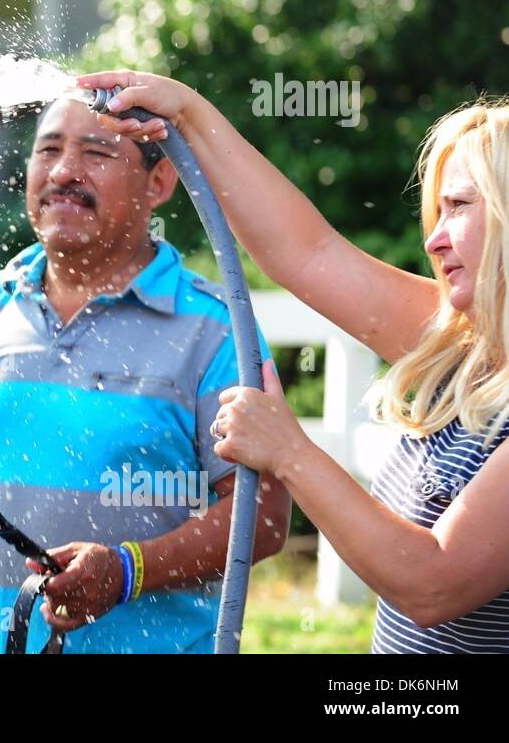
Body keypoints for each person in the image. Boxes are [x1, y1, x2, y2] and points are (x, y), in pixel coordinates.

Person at [77, 71, 509, 653]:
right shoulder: (465, 341)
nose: (434, 239)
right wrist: (188, 112)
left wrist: (290, 451)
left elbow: (431, 584)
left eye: (459, 206)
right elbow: (306, 252)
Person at [0, 98, 291, 654]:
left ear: (159, 182)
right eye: (48, 150)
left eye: (96, 152)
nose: (64, 171)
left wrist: (127, 570)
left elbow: (264, 516)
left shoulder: (214, 329)